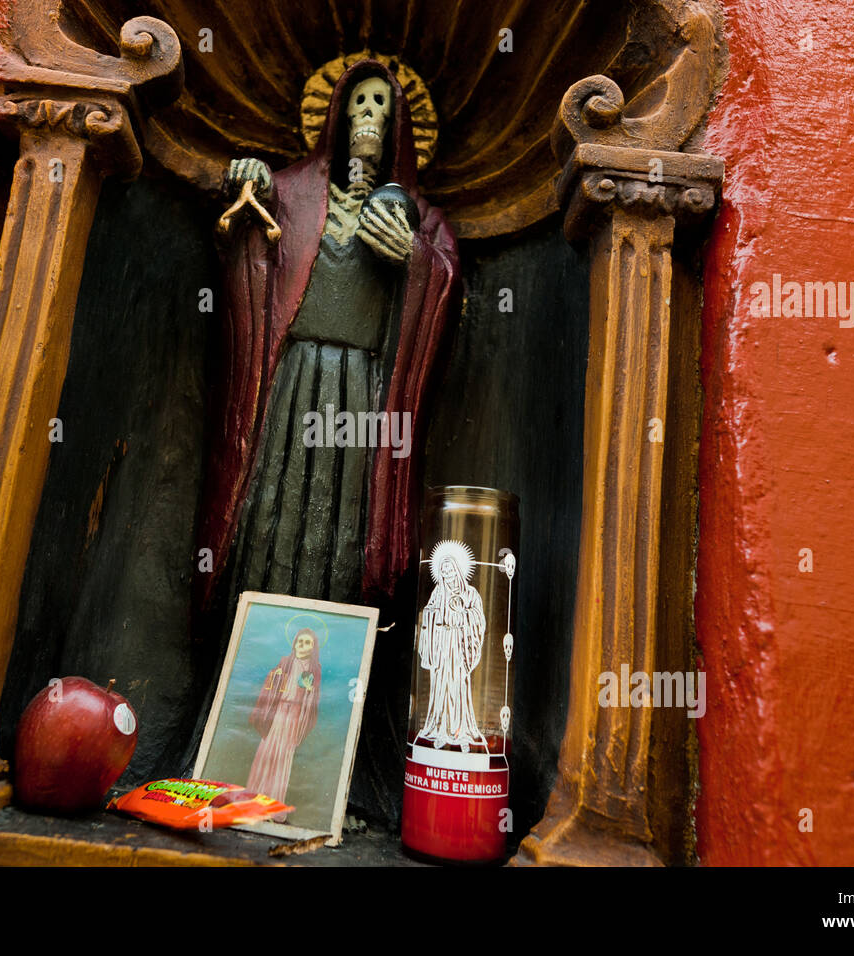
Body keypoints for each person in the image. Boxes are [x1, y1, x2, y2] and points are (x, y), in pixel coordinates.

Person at [198, 59, 461, 609]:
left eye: (382, 105)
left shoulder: (421, 217)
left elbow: (442, 286)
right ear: (337, 117)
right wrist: (247, 185)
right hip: (290, 383)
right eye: (359, 103)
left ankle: (345, 671)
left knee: (345, 521)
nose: (369, 114)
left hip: (364, 391)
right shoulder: (289, 192)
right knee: (273, 509)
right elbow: (242, 248)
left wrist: (412, 258)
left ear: (399, 130)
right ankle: (242, 664)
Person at [418, 550, 487, 752]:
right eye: (443, 569)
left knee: (458, 685)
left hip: (459, 643)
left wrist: (464, 615)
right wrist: (434, 615)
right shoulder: (437, 592)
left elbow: (478, 617)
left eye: (449, 568)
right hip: (441, 644)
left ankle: (460, 731)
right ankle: (440, 731)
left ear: (456, 570)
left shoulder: (470, 593)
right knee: (440, 685)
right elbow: (428, 612)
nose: (447, 572)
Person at [246, 628, 322, 808]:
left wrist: (310, 691)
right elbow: (271, 686)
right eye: (299, 641)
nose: (302, 646)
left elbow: (314, 699)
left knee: (283, 758)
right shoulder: (285, 662)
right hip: (277, 714)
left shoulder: (314, 669)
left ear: (313, 648)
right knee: (267, 753)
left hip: (294, 718)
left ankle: (273, 804)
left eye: (307, 643)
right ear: (294, 643)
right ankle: (255, 799)